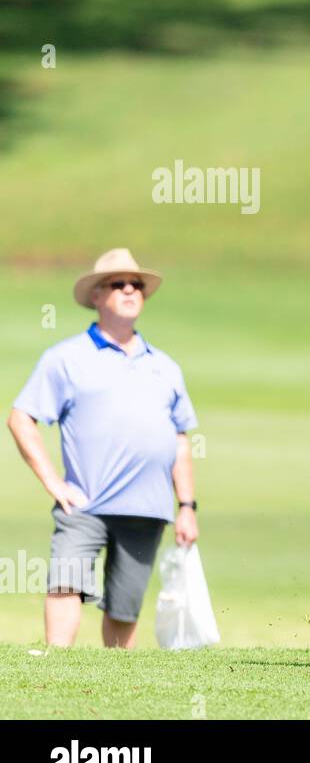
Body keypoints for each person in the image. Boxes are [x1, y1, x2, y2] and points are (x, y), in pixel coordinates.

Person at [8, 248, 200, 649]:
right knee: (65, 581)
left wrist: (187, 506)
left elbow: (181, 437)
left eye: (137, 285)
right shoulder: (65, 358)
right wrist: (53, 483)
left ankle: (115, 685)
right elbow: (21, 417)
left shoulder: (164, 365)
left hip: (148, 508)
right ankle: (57, 670)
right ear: (96, 296)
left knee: (125, 606)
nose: (130, 290)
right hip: (85, 503)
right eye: (118, 284)